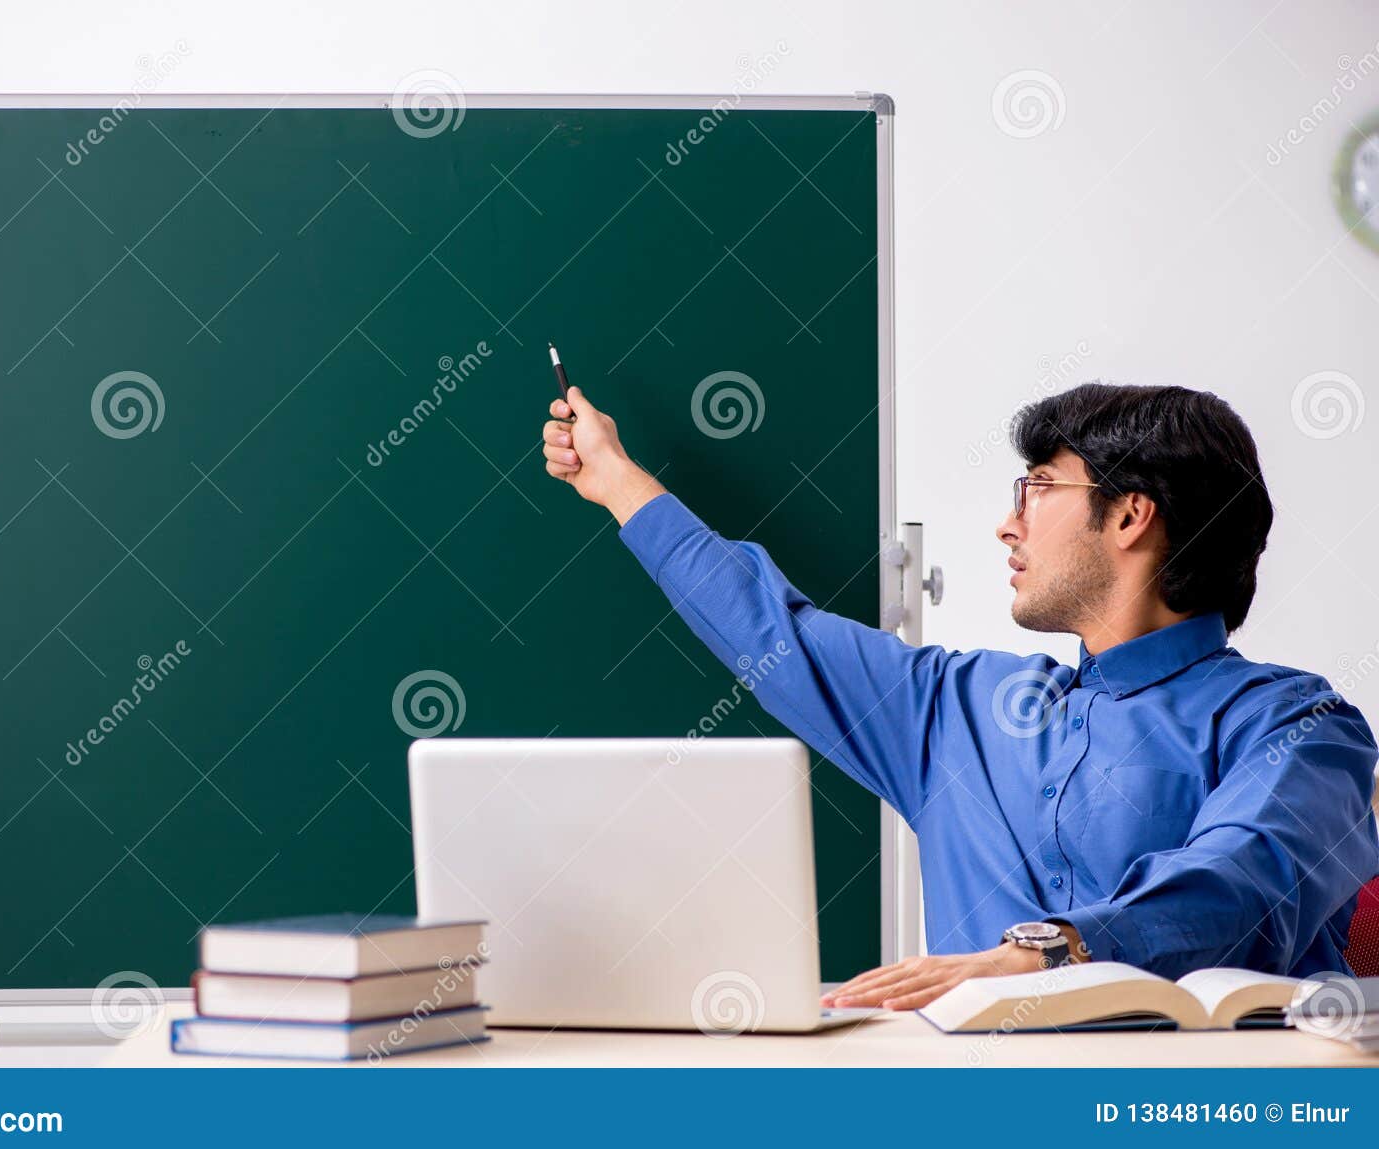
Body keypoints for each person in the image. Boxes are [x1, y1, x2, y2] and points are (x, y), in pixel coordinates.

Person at [541, 381, 1379, 1010]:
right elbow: (771, 633)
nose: (1007, 525)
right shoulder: (958, 705)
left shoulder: (1302, 726)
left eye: (1039, 488)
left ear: (1131, 517)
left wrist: (1042, 955)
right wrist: (617, 483)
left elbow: (1240, 882)